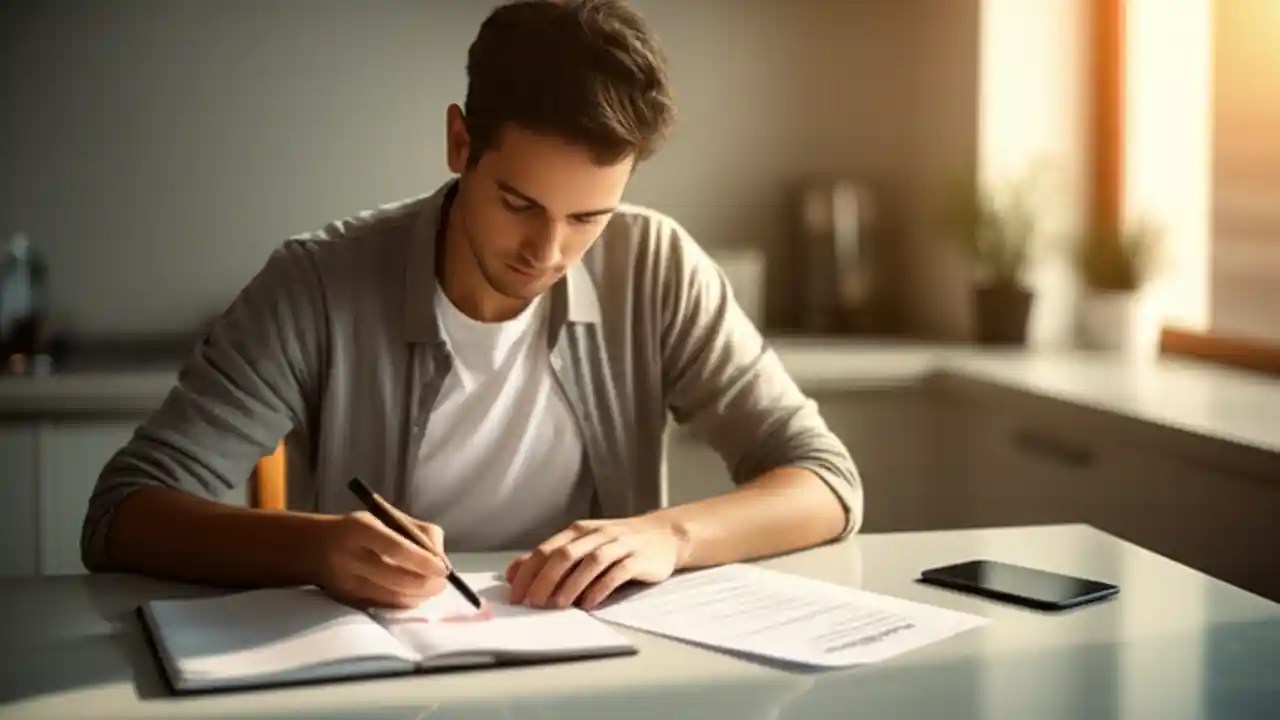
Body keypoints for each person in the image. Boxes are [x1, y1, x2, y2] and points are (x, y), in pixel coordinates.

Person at [81, 0, 862, 612]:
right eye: (519, 203)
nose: (548, 252)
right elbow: (122, 513)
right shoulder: (317, 283)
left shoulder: (656, 264)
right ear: (460, 144)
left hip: (603, 674)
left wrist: (670, 532)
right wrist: (314, 549)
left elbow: (826, 482)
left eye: (589, 218)